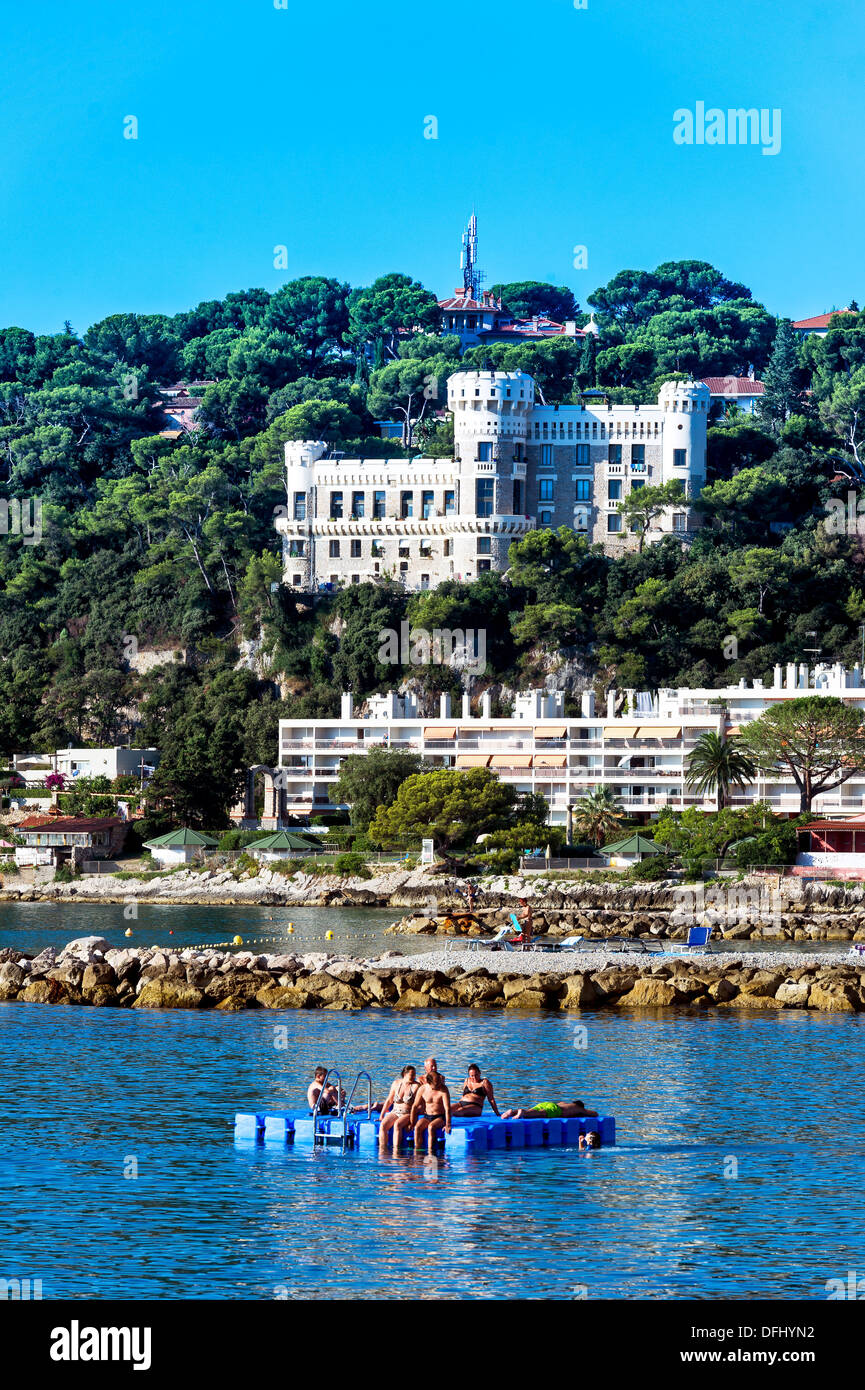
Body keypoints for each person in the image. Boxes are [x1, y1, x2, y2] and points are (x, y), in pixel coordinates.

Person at [378, 1065, 421, 1150]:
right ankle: (383, 1150)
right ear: (405, 1074)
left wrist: (412, 1121)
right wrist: (382, 1115)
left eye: (414, 1075)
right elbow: (389, 1100)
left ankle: (396, 1150)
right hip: (395, 1111)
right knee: (383, 1125)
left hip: (407, 1113)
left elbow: (418, 1106)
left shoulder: (416, 1086)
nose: (414, 1077)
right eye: (411, 1075)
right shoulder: (396, 1083)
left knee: (397, 1125)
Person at [410, 1070, 451, 1153]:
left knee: (431, 1127)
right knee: (417, 1127)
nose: (439, 1084)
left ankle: (430, 1152)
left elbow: (447, 1108)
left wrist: (448, 1124)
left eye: (439, 1081)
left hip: (440, 1117)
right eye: (436, 1083)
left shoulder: (443, 1089)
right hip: (427, 1116)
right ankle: (417, 1152)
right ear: (429, 1082)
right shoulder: (422, 1089)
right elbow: (414, 1106)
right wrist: (412, 1122)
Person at [500, 1099, 598, 1120]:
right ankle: (522, 1113)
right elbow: (595, 1114)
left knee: (535, 1110)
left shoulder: (565, 1103)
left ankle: (512, 1112)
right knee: (541, 1114)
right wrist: (583, 1112)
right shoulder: (579, 1108)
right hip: (556, 1109)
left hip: (548, 1103)